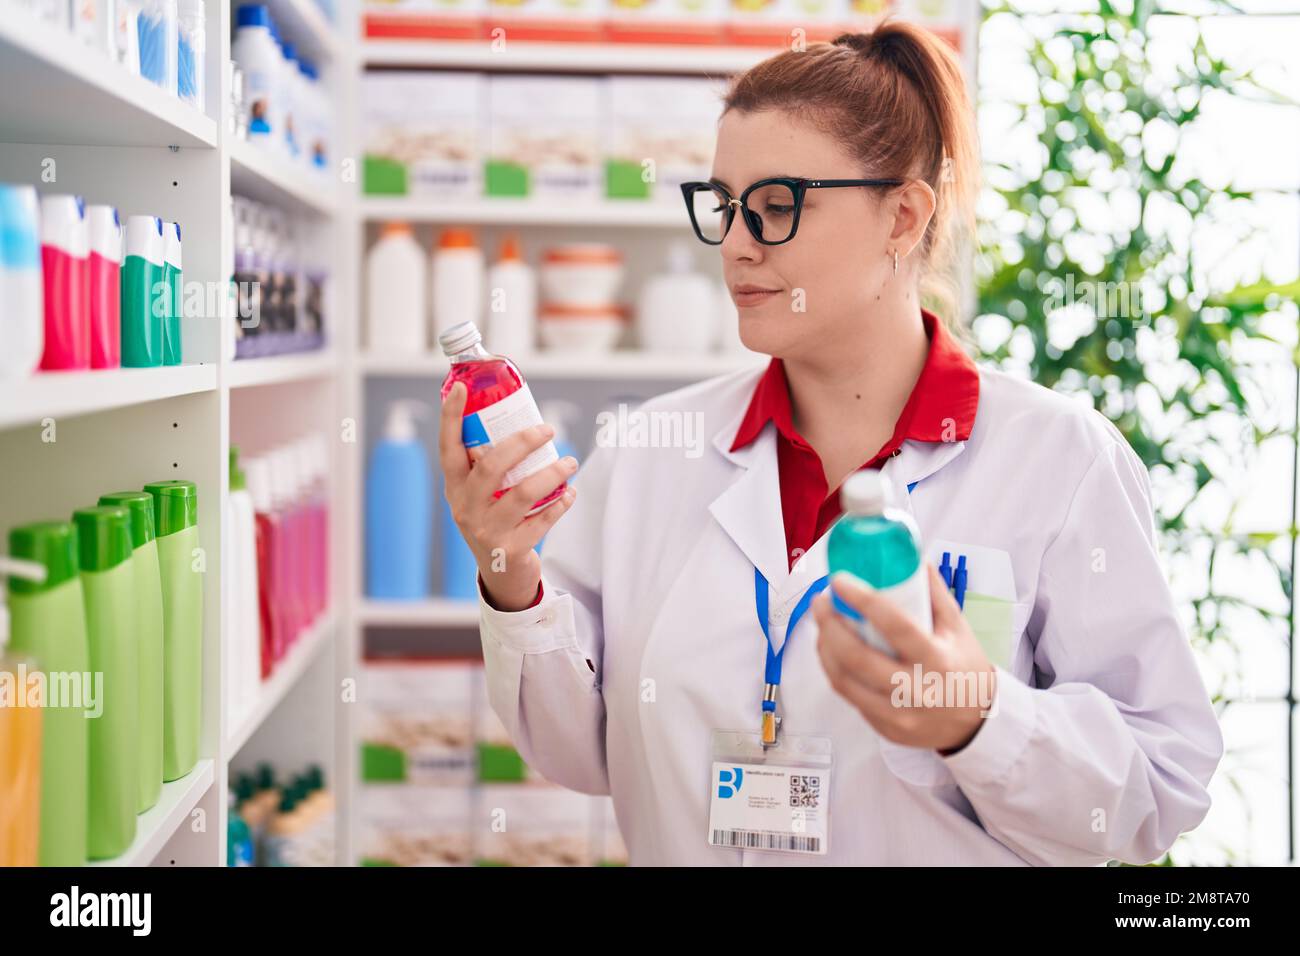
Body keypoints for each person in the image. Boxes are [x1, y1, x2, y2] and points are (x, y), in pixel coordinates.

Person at [439, 19, 1223, 865]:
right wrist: (510, 573)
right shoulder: (647, 455)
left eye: (777, 207)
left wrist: (976, 717)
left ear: (902, 216)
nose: (736, 243)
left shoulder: (1060, 461)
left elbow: (1156, 794)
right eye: (725, 205)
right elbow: (580, 751)